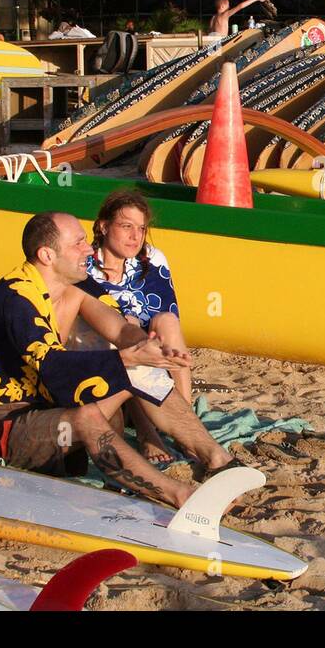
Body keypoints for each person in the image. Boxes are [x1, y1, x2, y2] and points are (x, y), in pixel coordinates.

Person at [0, 212, 241, 506]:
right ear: (46, 255)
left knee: (138, 370)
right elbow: (52, 366)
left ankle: (218, 461)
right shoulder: (15, 296)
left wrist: (145, 349)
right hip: (4, 425)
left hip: (54, 405)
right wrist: (124, 359)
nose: (89, 249)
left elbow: (120, 328)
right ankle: (180, 496)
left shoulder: (78, 283)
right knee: (88, 415)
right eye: (79, 243)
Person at [83, 191, 194, 458]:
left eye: (141, 228)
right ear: (103, 225)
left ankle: (186, 424)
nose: (136, 236)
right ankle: (147, 432)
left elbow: (168, 313)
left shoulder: (152, 258)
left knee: (165, 322)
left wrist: (151, 341)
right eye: (126, 226)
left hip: (154, 355)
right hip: (103, 360)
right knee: (126, 326)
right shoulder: (83, 264)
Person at [208, 0, 274, 38]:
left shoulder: (213, 18)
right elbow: (240, 6)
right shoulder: (224, 15)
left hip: (214, 45)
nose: (229, 7)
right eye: (228, 5)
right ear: (222, 6)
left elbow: (210, 32)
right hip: (221, 44)